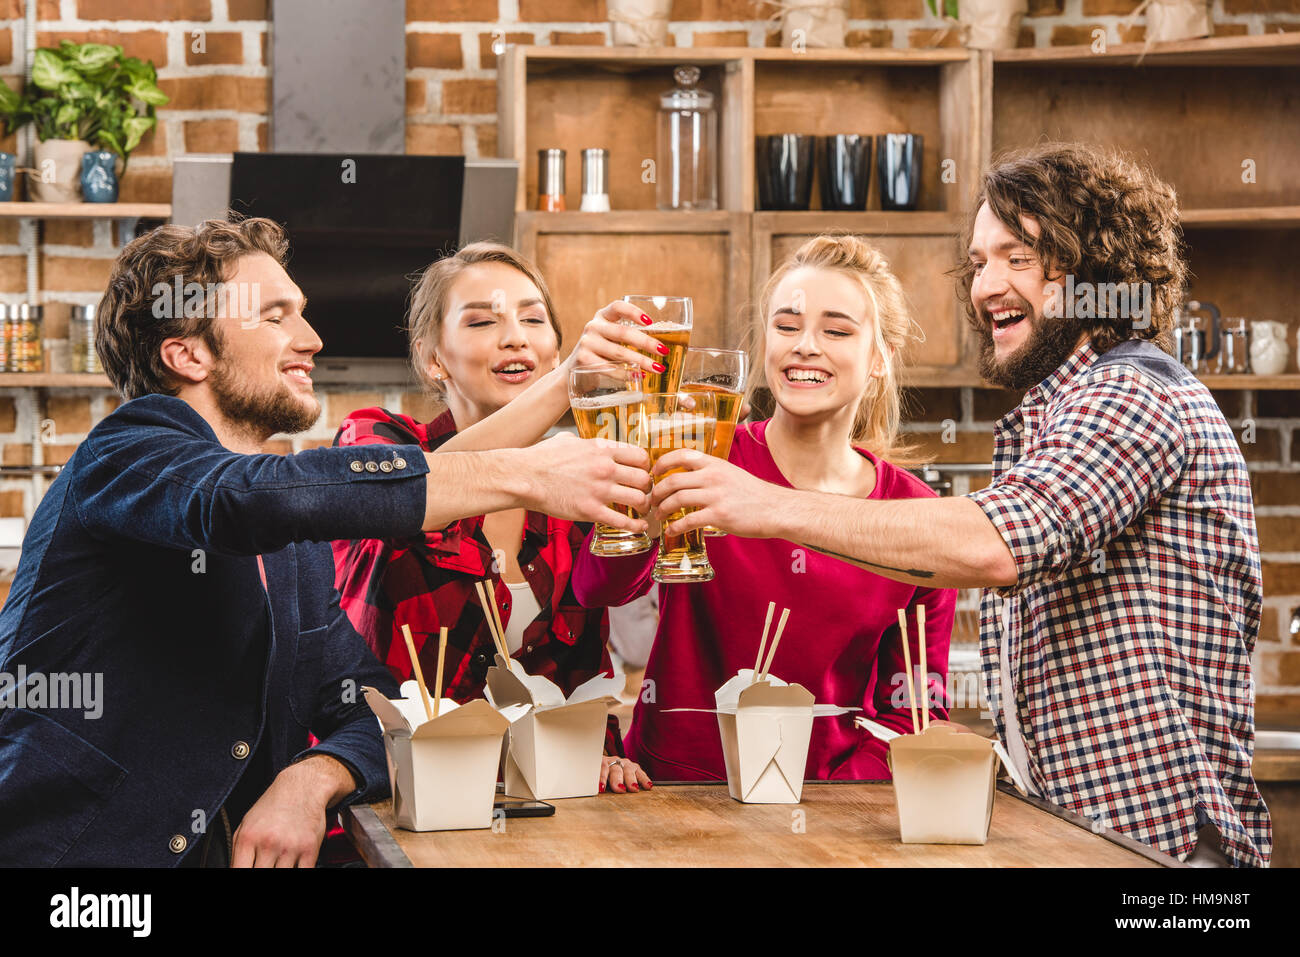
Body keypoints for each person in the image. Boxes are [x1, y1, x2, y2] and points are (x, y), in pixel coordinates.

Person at [649, 144, 1270, 866]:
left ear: (1093, 270)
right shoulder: (1057, 412)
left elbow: (991, 544)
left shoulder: (1133, 394)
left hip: (1161, 852)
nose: (986, 286)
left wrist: (763, 503)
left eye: (1018, 257)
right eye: (979, 263)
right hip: (1090, 838)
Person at [0, 218, 652, 867]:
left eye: (302, 314)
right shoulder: (126, 453)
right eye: (276, 315)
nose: (310, 339)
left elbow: (380, 706)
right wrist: (529, 471)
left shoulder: (291, 549)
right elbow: (239, 497)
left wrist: (313, 778)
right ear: (188, 352)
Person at [573, 235, 957, 781]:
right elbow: (596, 589)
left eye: (837, 330)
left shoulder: (916, 515)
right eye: (787, 325)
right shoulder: (699, 453)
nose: (805, 345)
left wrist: (829, 799)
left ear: (879, 357)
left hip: (829, 806)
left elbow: (914, 712)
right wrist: (645, 510)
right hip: (670, 791)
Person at [333, 242, 664, 793]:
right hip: (395, 799)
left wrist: (601, 753)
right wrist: (566, 387)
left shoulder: (574, 482)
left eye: (533, 319)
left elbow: (594, 637)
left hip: (541, 807)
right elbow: (407, 495)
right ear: (433, 358)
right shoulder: (374, 443)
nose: (516, 336)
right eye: (483, 321)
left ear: (556, 349)